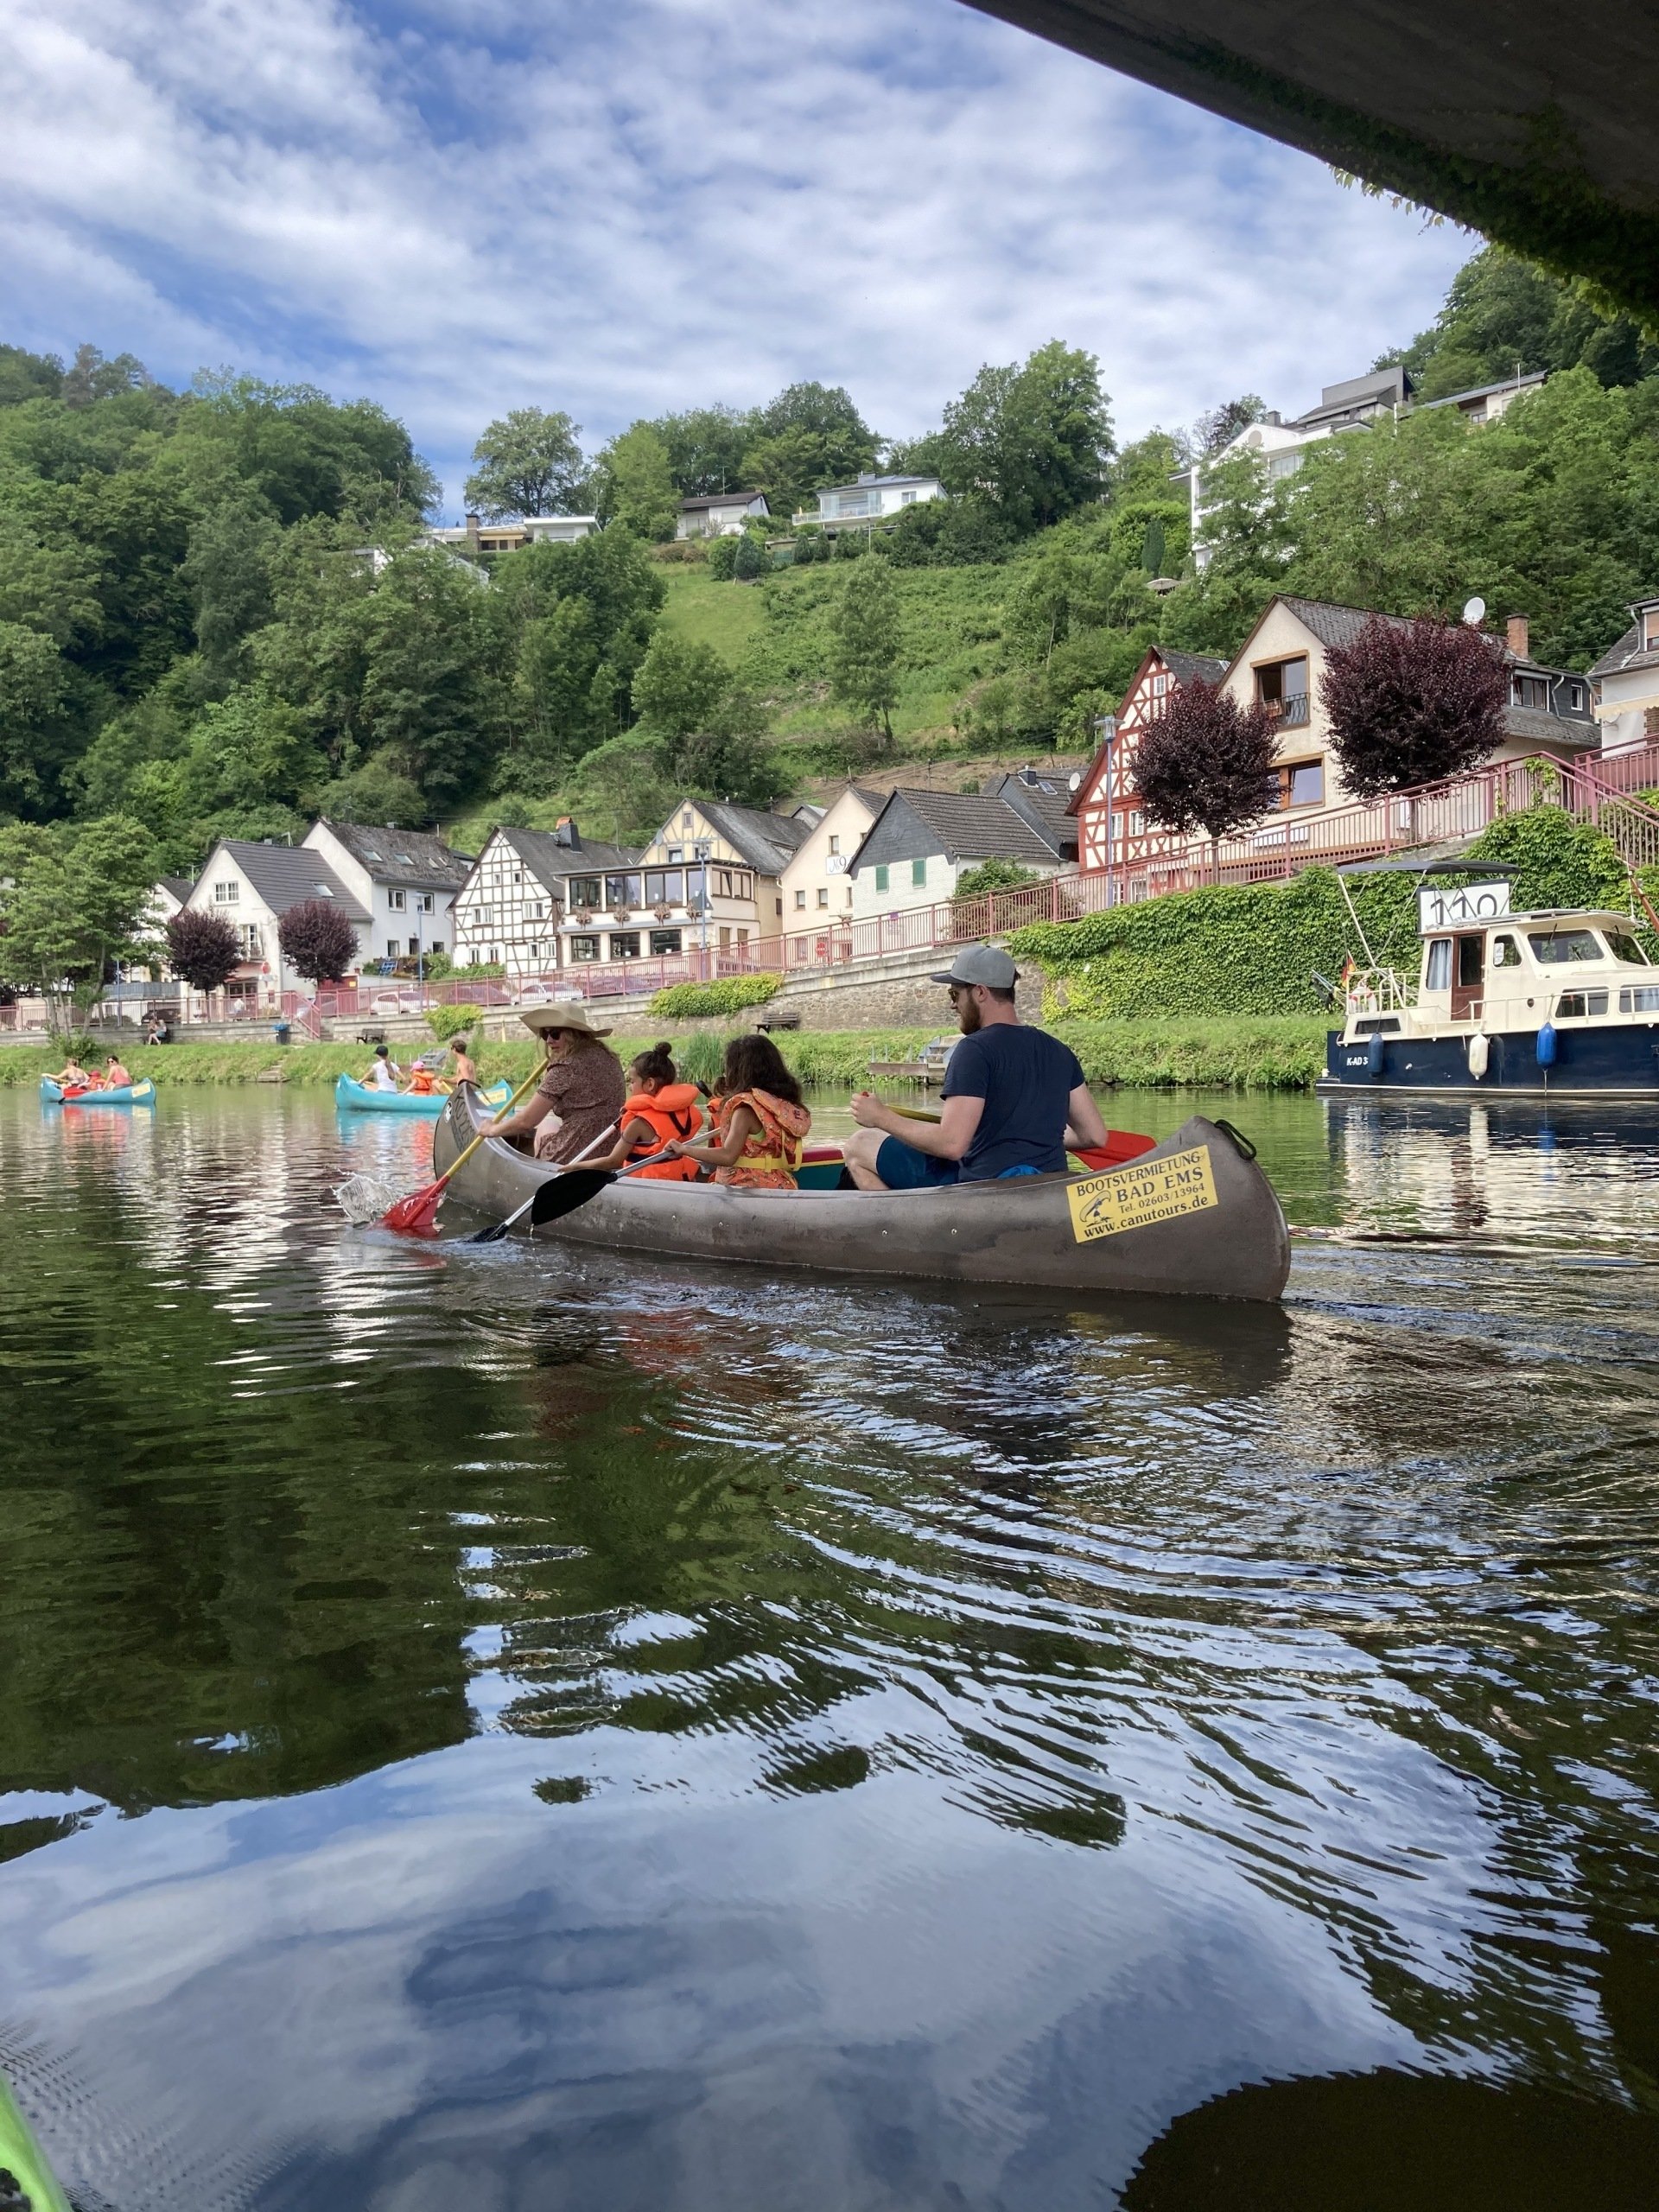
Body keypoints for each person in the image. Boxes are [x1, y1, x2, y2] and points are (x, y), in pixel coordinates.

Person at [844, 944, 1109, 1190]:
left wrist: (881, 1118)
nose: (953, 1004)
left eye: (955, 993)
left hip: (984, 1191)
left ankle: (909, 1236)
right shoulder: (1059, 1051)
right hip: (1048, 1185)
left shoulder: (974, 1050)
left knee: (858, 1146)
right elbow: (1095, 1136)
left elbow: (952, 1145)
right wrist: (1029, 1136)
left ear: (980, 992)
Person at [666, 1033, 810, 1190]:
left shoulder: (745, 1110)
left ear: (738, 1071)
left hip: (748, 1189)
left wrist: (684, 1149)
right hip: (779, 1184)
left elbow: (728, 1155)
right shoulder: (780, 1104)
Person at [492, 1003, 626, 1165]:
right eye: (544, 1034)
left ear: (573, 1034)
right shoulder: (610, 1057)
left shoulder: (565, 1067)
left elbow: (526, 1122)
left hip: (575, 1157)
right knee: (551, 1124)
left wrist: (491, 1130)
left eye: (555, 1034)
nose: (549, 1040)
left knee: (545, 1125)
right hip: (612, 1150)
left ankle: (539, 1173)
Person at [591, 1043, 704, 1182]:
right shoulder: (686, 1113)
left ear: (650, 1084)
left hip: (647, 1186)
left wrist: (570, 1168)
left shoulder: (638, 1124)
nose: (630, 1087)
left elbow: (613, 1161)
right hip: (681, 1180)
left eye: (632, 1082)